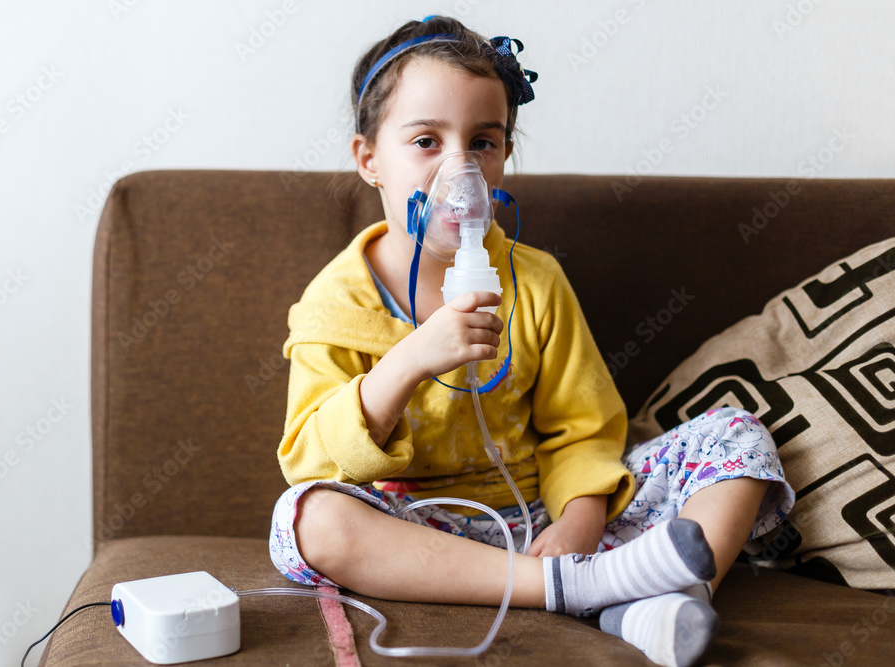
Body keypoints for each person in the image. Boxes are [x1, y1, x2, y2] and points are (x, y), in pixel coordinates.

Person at [269, 15, 794, 667]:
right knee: (306, 519)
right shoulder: (335, 301)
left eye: (483, 142)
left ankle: (667, 600)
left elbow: (583, 425)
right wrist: (408, 360)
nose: (460, 169)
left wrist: (580, 513)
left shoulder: (535, 281)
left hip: (548, 522)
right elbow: (310, 458)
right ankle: (586, 591)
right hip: (428, 533)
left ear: (505, 156)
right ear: (369, 159)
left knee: (737, 436)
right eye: (427, 140)